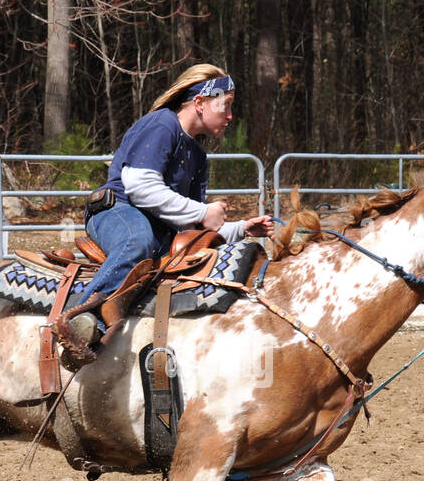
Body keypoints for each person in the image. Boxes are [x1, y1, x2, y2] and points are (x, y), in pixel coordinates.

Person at [60, 64, 274, 363]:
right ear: (199, 103)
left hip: (160, 229)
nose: (230, 116)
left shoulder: (198, 157)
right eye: (225, 106)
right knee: (136, 242)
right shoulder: (162, 124)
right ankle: (82, 322)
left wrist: (240, 229)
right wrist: (203, 210)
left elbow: (190, 224)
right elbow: (139, 187)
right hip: (117, 210)